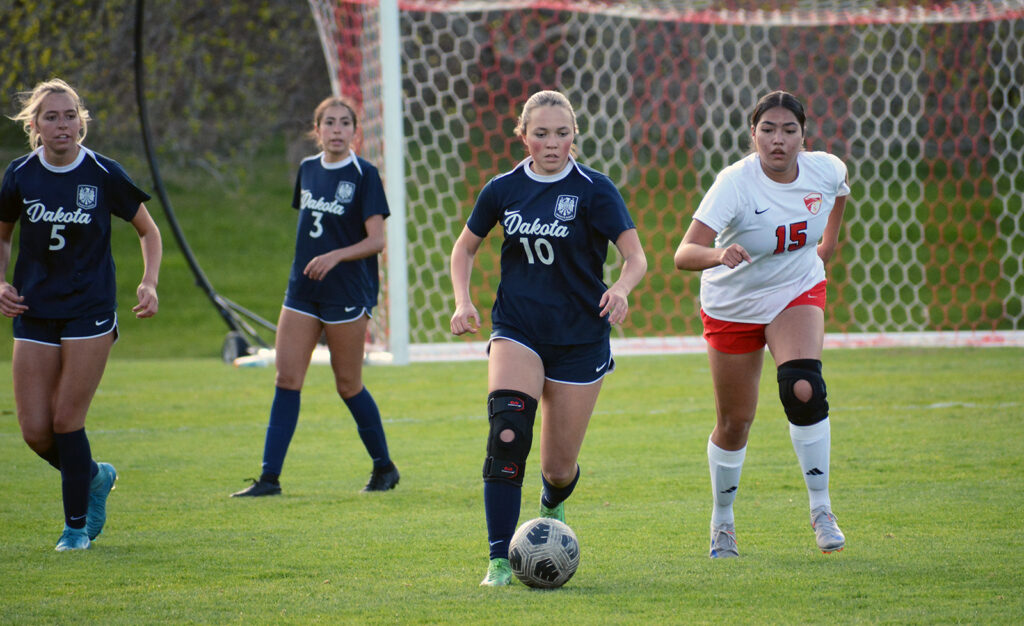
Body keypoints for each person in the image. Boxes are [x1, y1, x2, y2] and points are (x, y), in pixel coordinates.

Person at [450, 90, 647, 586]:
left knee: (559, 469)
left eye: (561, 133)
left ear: (574, 137)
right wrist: (464, 301)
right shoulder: (502, 188)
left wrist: (621, 288)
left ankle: (551, 503)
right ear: (523, 137)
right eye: (541, 133)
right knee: (508, 434)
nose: (552, 143)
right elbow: (464, 250)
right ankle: (497, 560)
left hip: (580, 338)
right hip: (518, 329)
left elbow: (636, 256)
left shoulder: (595, 190)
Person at [674, 90, 849, 558]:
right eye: (767, 130)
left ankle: (821, 509)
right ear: (753, 135)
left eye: (788, 130)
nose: (778, 140)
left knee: (803, 387)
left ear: (803, 136)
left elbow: (838, 196)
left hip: (796, 289)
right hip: (733, 303)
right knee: (735, 424)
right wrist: (718, 254)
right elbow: (684, 254)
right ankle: (723, 522)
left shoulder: (825, 169)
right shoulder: (734, 183)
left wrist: (825, 249)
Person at [0, 79, 163, 551]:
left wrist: (149, 282)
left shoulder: (103, 173)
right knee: (35, 431)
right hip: (33, 309)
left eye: (70, 115)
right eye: (51, 117)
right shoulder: (19, 174)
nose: (62, 124)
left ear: (81, 121)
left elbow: (148, 232)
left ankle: (75, 530)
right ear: (34, 126)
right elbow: (3, 234)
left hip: (89, 309)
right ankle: (94, 477)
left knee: (68, 420)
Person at [231, 96, 399, 497]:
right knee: (286, 379)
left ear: (355, 132)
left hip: (346, 292)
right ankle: (269, 479)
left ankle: (384, 467)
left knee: (347, 385)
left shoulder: (364, 174)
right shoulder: (307, 170)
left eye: (345, 123)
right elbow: (311, 229)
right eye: (330, 123)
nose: (337, 130)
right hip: (302, 291)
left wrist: (336, 256)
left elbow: (376, 241)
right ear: (317, 129)